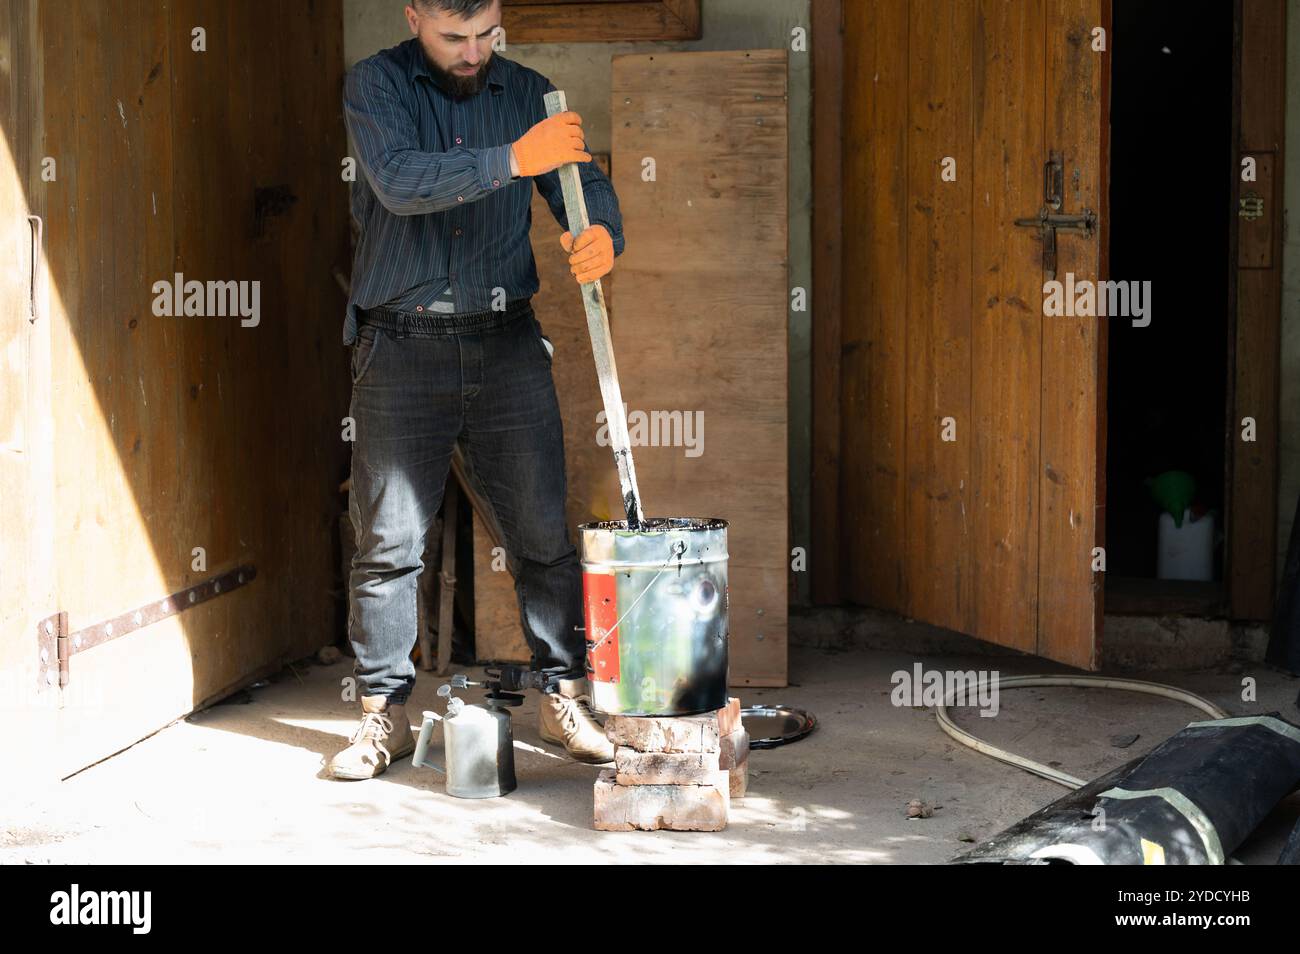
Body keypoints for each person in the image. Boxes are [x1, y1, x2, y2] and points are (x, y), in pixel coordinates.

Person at [328, 0, 624, 779]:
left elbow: (579, 185)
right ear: (414, 15)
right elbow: (397, 181)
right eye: (453, 37)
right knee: (389, 544)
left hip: (506, 346)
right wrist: (510, 160)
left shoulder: (532, 92)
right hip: (401, 345)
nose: (472, 53)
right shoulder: (376, 84)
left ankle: (566, 696)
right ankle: (380, 718)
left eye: (486, 34)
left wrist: (601, 235)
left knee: (542, 539)